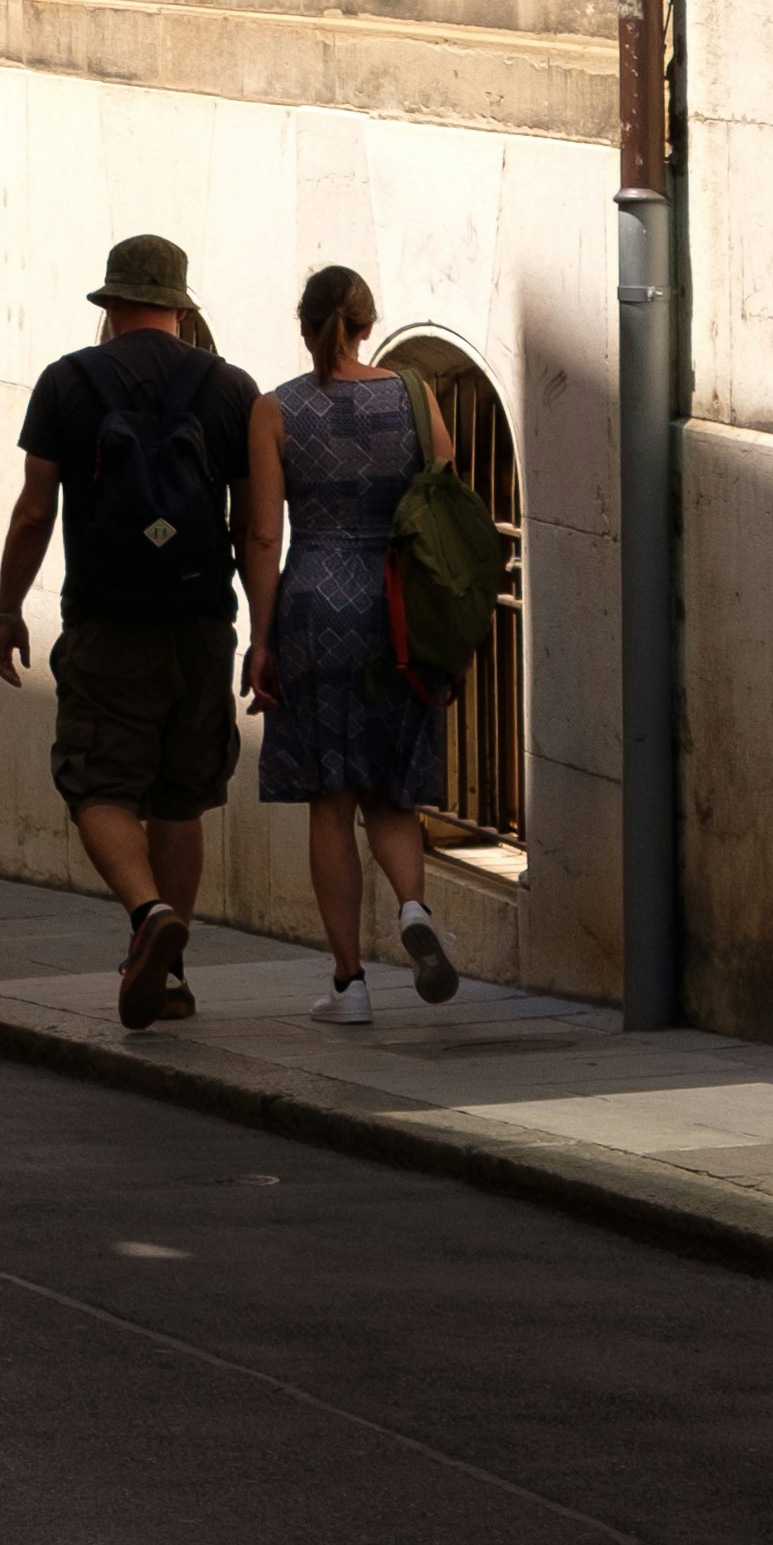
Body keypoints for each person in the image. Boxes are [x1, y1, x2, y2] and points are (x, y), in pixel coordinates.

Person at [0, 231, 259, 1030]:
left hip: (108, 620)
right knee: (181, 797)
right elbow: (253, 527)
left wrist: (6, 607)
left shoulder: (68, 381)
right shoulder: (228, 387)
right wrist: (264, 631)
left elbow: (35, 508)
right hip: (200, 621)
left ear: (108, 305)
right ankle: (169, 975)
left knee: (97, 782)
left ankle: (146, 914)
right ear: (179, 306)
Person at [244, 265, 465, 1026]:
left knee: (329, 800)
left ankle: (349, 983)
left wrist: (260, 637)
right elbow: (442, 488)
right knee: (389, 791)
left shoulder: (274, 410)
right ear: (367, 324)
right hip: (396, 609)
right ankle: (411, 905)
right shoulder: (412, 394)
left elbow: (264, 532)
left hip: (312, 607)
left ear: (305, 325)